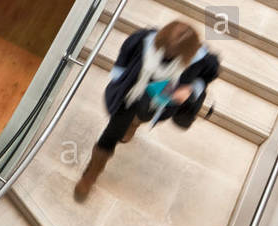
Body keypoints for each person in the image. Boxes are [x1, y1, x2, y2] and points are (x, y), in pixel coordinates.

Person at [74, 21, 219, 202]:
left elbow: (208, 75)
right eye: (164, 51)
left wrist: (190, 89)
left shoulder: (203, 60)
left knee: (144, 115)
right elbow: (124, 57)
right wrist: (120, 81)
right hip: (131, 95)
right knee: (111, 133)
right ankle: (90, 175)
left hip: (162, 99)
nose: (166, 57)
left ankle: (134, 125)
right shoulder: (143, 40)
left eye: (172, 56)